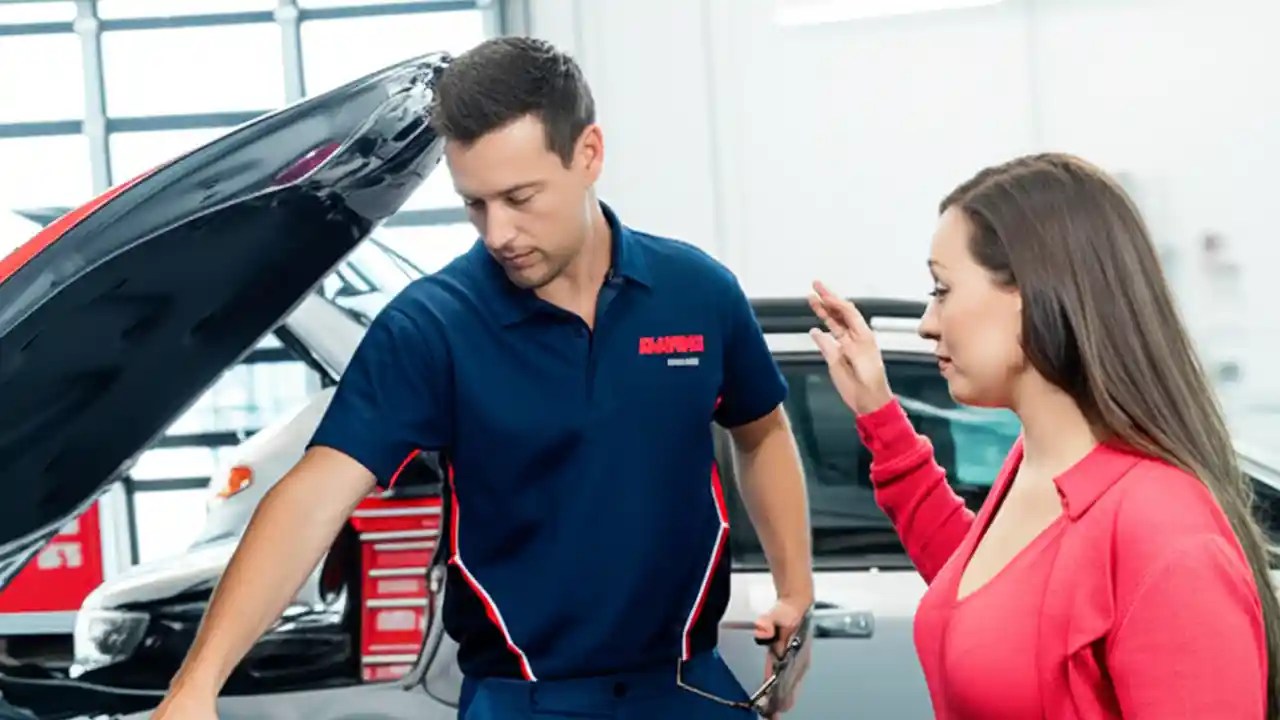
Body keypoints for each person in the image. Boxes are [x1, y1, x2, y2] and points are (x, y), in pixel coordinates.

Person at [150, 36, 814, 720]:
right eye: (475, 204)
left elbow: (762, 432)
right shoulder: (432, 328)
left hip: (689, 689)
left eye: (520, 198)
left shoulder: (698, 293)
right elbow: (312, 496)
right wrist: (196, 684)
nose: (498, 233)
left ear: (588, 153)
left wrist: (796, 590)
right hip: (523, 701)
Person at [808, 152, 1277, 719]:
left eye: (942, 289)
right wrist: (879, 414)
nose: (928, 323)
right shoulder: (1034, 466)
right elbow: (990, 606)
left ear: (1032, 293)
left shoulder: (1163, 530)